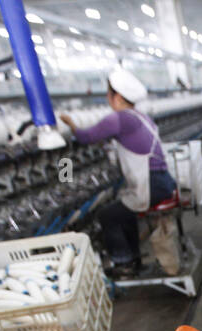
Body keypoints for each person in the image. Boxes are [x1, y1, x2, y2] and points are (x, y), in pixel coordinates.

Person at [60, 68, 177, 278]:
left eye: (108, 93)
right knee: (123, 212)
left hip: (151, 185)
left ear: (118, 97)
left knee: (108, 215)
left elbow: (86, 137)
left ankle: (124, 263)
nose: (107, 98)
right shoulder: (140, 118)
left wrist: (71, 125)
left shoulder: (120, 119)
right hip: (162, 182)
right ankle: (133, 260)